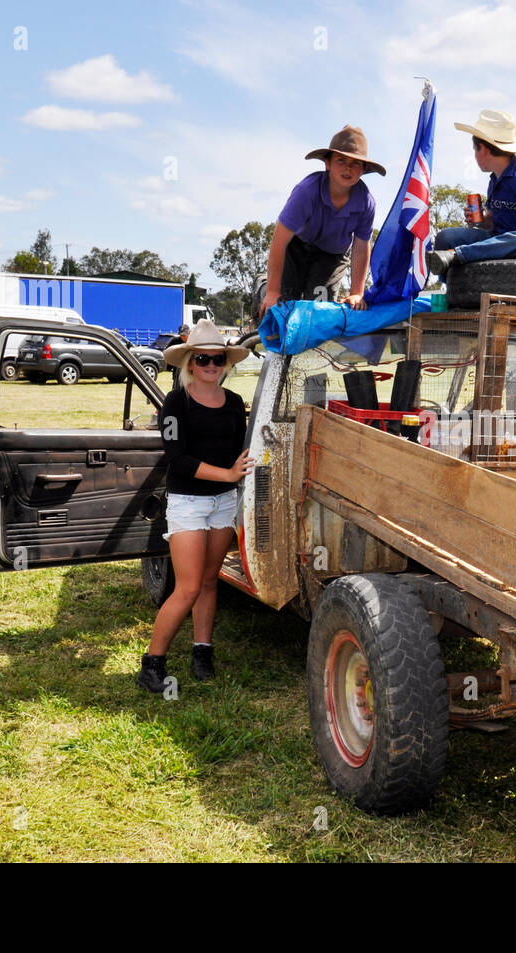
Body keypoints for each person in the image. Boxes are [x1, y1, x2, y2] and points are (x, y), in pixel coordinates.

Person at [138, 319, 255, 693]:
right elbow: (178, 459)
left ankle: (202, 652)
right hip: (188, 503)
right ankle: (152, 665)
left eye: (217, 359)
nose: (210, 365)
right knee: (187, 588)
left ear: (226, 363)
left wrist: (234, 476)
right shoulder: (176, 402)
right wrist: (228, 475)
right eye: (202, 358)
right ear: (189, 362)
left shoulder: (235, 403)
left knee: (209, 581)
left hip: (223, 503)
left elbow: (239, 451)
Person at [258, 125, 386, 318]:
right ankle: (263, 286)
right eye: (341, 160)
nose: (348, 168)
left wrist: (357, 293)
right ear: (327, 163)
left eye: (356, 163)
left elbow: (361, 246)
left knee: (318, 308)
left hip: (331, 257)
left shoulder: (366, 202)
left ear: (363, 170)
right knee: (281, 304)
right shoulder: (307, 191)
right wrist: (272, 292)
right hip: (296, 248)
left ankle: (311, 346)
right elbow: (280, 239)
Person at [427, 109, 516, 276]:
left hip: (515, 247)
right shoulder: (494, 180)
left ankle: (456, 255)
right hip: (494, 240)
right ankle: (455, 285)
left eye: (475, 150)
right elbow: (494, 222)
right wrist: (480, 221)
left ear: (484, 149)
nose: (474, 155)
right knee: (445, 237)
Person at [163, 324, 190, 391]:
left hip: (190, 370)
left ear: (189, 333)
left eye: (184, 335)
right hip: (177, 370)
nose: (182, 337)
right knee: (176, 390)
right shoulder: (175, 341)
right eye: (181, 335)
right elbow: (166, 352)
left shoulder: (194, 341)